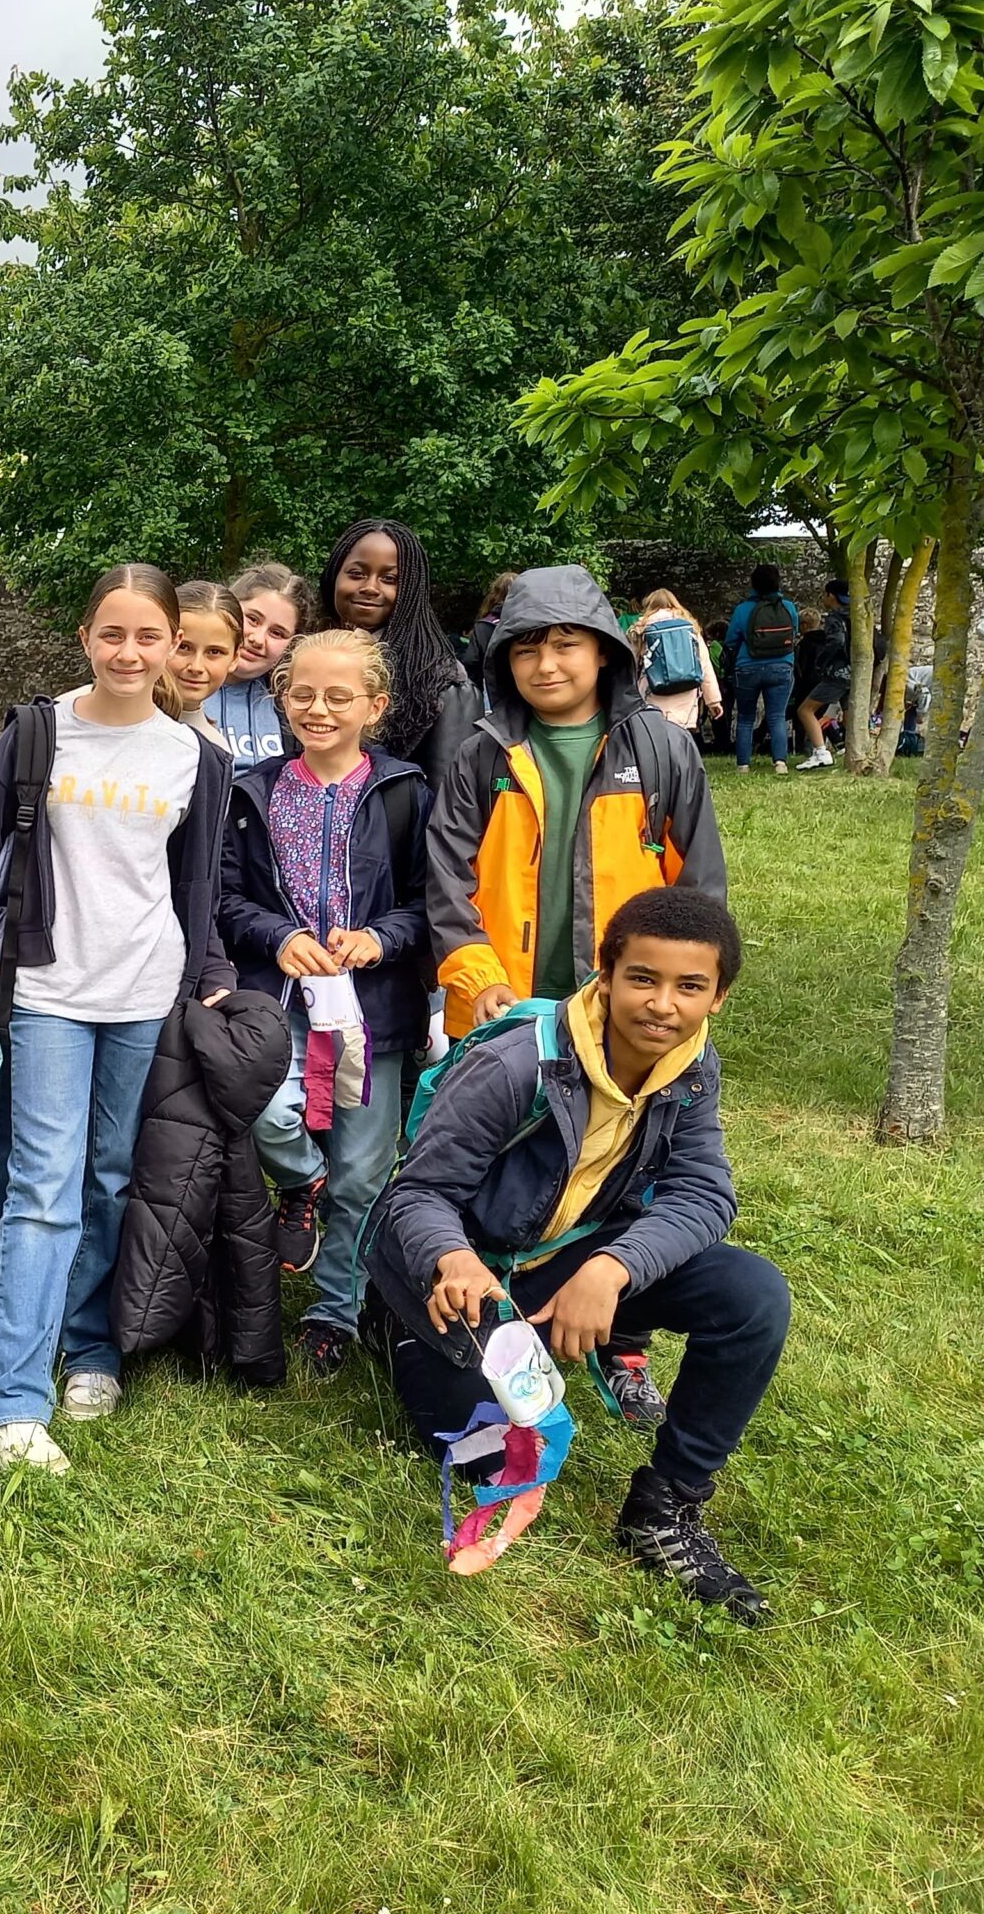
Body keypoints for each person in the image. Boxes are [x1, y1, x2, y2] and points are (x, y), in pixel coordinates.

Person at [366, 888, 788, 1624]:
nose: (663, 1005)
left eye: (690, 987)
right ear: (605, 972)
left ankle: (665, 1509)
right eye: (643, 979)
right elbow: (418, 1195)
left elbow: (705, 1195)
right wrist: (453, 1261)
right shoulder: (514, 1063)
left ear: (719, 996)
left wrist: (610, 1269)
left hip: (568, 1258)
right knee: (497, 1453)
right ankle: (397, 1331)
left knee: (752, 1294)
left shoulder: (691, 1067)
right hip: (459, 1279)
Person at [0, 564, 238, 1473]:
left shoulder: (197, 759)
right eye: (114, 634)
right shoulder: (38, 731)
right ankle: (13, 1397)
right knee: (44, 1183)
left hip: (145, 990)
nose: (131, 652)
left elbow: (201, 885)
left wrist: (211, 972)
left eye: (151, 637)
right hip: (49, 989)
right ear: (85, 638)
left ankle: (93, 1346)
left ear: (173, 647)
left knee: (112, 1177)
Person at [427, 563, 726, 1425]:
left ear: (604, 653)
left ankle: (618, 1337)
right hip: (507, 1013)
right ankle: (486, 1324)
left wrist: (683, 996)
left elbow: (697, 888)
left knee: (628, 1175)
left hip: (622, 1016)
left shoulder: (660, 749)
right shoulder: (480, 750)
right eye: (526, 647)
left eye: (566, 644)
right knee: (492, 1166)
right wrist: (479, 981)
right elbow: (446, 882)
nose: (546, 663)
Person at [217, 627, 433, 1377]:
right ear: (281, 699)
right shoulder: (253, 792)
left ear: (374, 705)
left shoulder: (404, 791)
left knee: (366, 1172)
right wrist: (277, 936)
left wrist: (381, 938)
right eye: (302, 693)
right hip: (279, 1003)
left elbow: (427, 901)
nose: (318, 708)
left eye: (339, 696)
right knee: (265, 1113)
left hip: (372, 1011)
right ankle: (301, 1179)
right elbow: (227, 897)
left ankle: (335, 1307)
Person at [314, 520, 478, 792]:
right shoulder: (301, 657)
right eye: (356, 573)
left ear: (411, 590)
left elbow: (448, 799)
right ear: (333, 576)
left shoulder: (444, 683)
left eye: (389, 579)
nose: (370, 587)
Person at [199, 561, 316, 767]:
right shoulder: (171, 688)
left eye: (277, 633)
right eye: (252, 619)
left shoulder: (293, 706)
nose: (258, 639)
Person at [723, 562, 801, 772]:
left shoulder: (742, 609)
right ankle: (780, 763)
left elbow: (731, 641)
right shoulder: (788, 607)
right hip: (782, 665)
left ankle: (743, 764)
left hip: (747, 667)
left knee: (746, 717)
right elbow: (794, 633)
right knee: (777, 715)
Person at [631, 588, 723, 738]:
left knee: (655, 737)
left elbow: (632, 663)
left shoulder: (642, 629)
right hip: (686, 689)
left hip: (653, 689)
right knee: (680, 737)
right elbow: (704, 664)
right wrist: (713, 701)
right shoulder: (689, 627)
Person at [170, 580, 244, 750]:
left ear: (235, 657)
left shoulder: (216, 750)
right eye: (184, 647)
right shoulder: (104, 712)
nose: (196, 667)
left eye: (214, 652)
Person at [791, 577, 852, 771]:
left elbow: (836, 641)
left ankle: (820, 752)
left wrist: (822, 662)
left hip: (837, 673)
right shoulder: (856, 615)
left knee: (805, 710)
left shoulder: (835, 618)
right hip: (855, 672)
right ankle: (857, 751)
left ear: (831, 596)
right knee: (850, 714)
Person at [461, 573, 517, 688]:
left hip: (494, 688)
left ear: (495, 594)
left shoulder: (483, 626)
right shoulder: (531, 620)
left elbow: (471, 660)